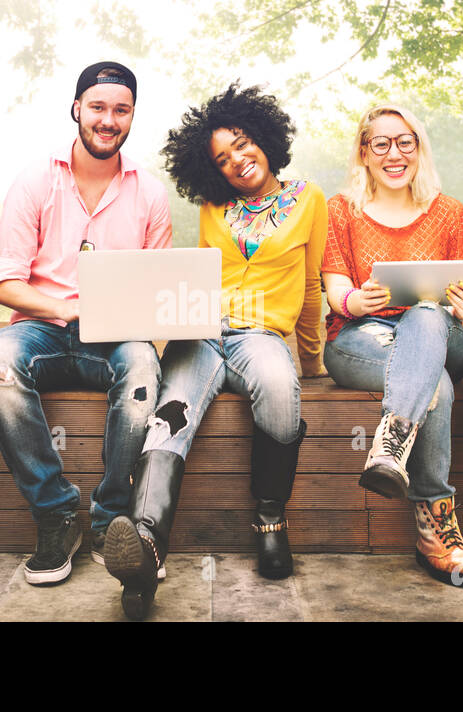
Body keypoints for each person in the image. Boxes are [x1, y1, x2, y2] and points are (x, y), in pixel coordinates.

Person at [104, 83, 326, 620]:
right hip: (202, 330)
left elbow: (314, 285)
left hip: (261, 334)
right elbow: (200, 276)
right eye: (222, 159)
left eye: (244, 144)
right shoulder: (212, 207)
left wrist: (314, 359)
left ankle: (270, 519)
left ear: (266, 139)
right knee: (169, 414)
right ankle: (146, 544)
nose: (237, 161)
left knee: (278, 386)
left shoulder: (309, 200)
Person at [0, 62, 171, 586]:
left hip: (112, 338)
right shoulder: (35, 181)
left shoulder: (150, 194)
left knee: (141, 367)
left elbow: (156, 293)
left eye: (121, 109)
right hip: (41, 327)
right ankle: (56, 514)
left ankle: (111, 518)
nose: (108, 119)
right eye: (98, 107)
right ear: (76, 109)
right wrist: (65, 308)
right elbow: (4, 286)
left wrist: (148, 312)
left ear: (132, 116)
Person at [321, 104, 463, 586]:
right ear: (364, 152)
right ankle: (437, 532)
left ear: (419, 149)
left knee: (426, 312)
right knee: (433, 383)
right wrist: (355, 299)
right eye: (382, 143)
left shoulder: (449, 212)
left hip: (443, 335)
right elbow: (336, 294)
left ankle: (391, 445)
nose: (395, 154)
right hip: (360, 340)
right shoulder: (341, 211)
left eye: (405, 142)